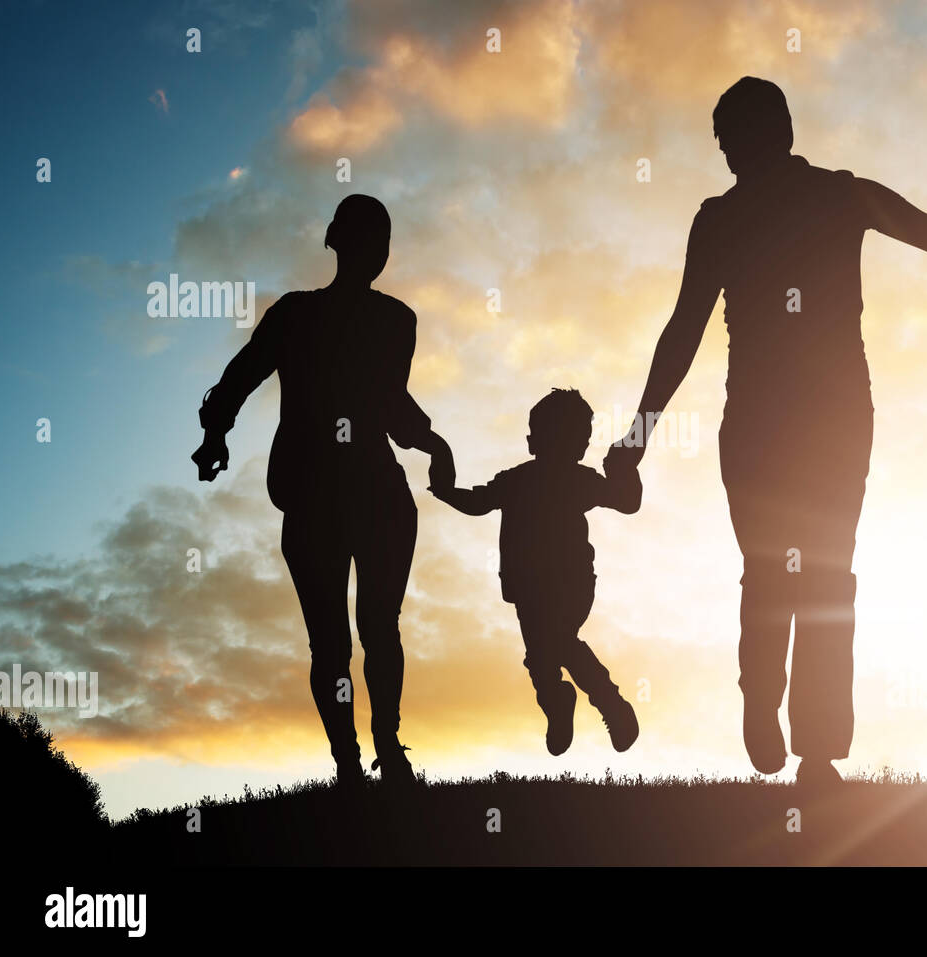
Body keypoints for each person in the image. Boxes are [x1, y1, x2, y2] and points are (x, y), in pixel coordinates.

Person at [605, 77, 927, 787]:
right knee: (791, 570)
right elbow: (684, 328)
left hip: (819, 420)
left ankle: (816, 751)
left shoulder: (834, 197)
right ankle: (771, 705)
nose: (729, 154)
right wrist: (639, 433)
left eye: (733, 139)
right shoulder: (736, 216)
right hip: (783, 420)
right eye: (723, 144)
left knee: (815, 572)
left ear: (772, 132)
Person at [191, 194, 447, 788]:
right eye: (370, 239)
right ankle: (357, 761)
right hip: (326, 497)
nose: (376, 252)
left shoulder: (388, 321)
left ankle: (377, 753)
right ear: (338, 241)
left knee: (363, 632)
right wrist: (214, 433)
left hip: (362, 496)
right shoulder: (310, 316)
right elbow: (241, 377)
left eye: (382, 241)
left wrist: (432, 442)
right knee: (344, 637)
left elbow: (388, 404)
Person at [429, 388, 641, 755]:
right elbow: (478, 501)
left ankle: (608, 703)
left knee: (557, 644)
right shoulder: (521, 480)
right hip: (529, 590)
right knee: (542, 659)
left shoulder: (571, 480)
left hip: (569, 585)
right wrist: (447, 491)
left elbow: (626, 501)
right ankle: (560, 702)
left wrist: (625, 469)